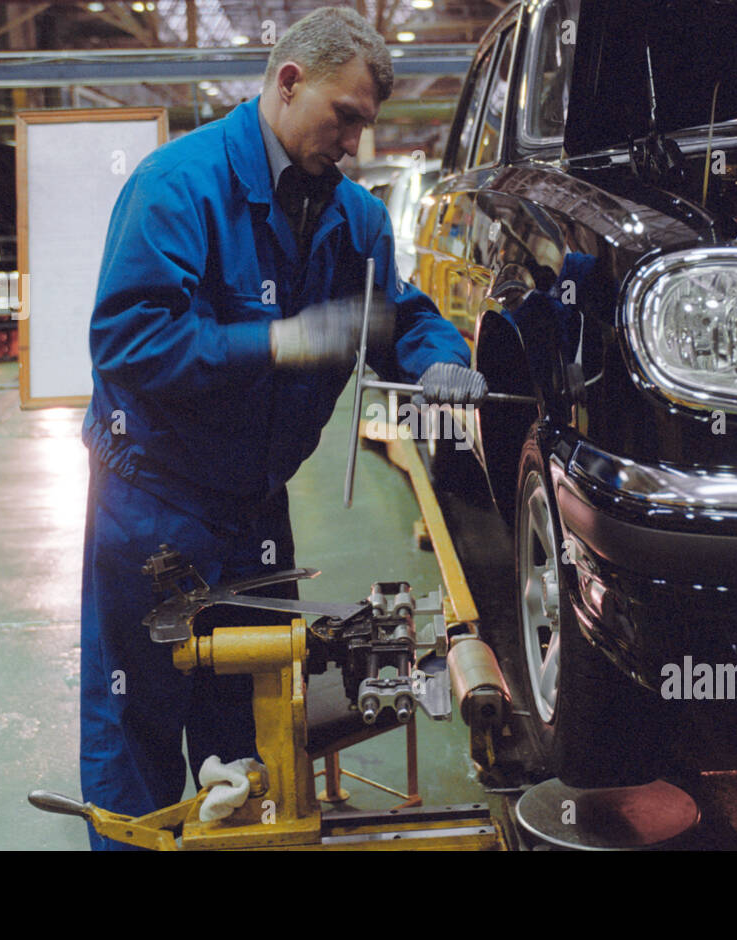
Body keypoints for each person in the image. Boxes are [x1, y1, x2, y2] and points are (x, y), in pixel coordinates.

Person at [80, 6, 486, 850]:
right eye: (346, 117)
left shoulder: (353, 218)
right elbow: (128, 340)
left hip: (257, 507)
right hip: (156, 502)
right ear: (289, 81)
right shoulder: (178, 187)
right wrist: (274, 340)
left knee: (259, 716)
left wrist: (440, 354)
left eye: (367, 126)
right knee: (139, 719)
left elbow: (400, 314)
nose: (355, 144)